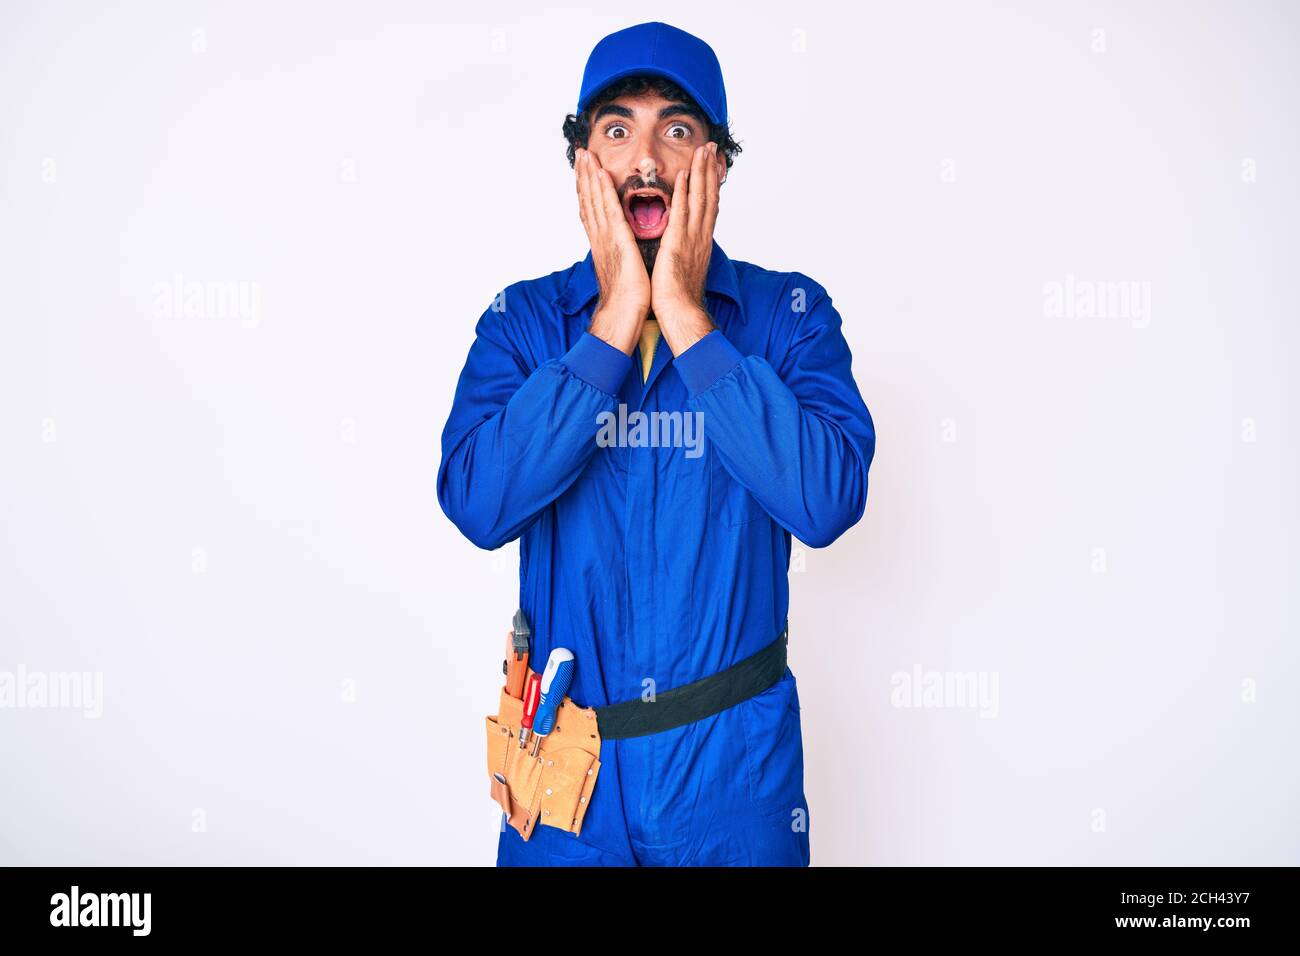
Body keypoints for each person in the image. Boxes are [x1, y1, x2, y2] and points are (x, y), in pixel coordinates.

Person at [438, 21, 876, 866]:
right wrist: (610, 324)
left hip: (734, 788)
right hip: (564, 787)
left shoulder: (790, 319)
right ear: (583, 167)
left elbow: (825, 502)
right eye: (615, 129)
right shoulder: (524, 324)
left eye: (676, 129)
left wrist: (683, 312)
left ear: (716, 163)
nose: (645, 159)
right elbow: (478, 504)